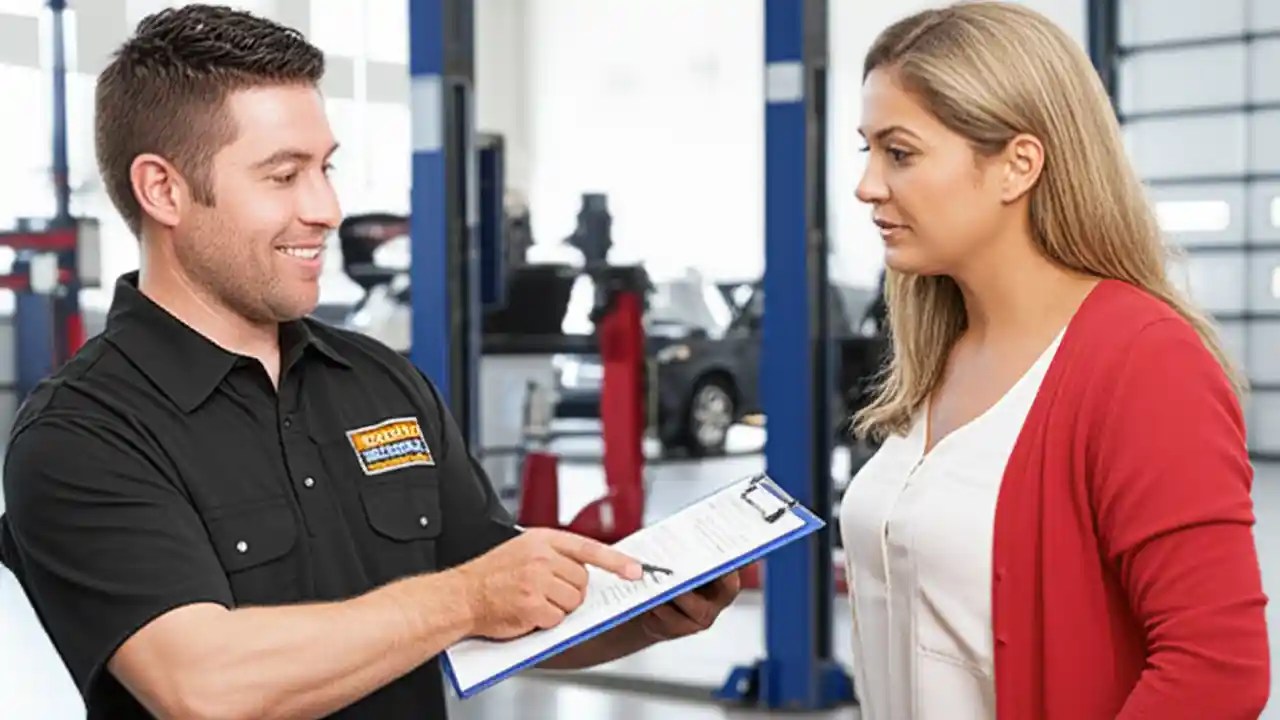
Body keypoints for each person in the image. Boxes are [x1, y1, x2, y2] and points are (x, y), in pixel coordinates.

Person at [0, 6, 739, 719]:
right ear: (163, 190)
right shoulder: (82, 435)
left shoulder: (380, 382)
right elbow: (204, 687)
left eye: (325, 168)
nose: (326, 208)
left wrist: (641, 611)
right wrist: (464, 598)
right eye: (284, 175)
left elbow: (506, 604)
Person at [839, 3, 1270, 719]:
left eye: (900, 153)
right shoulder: (942, 351)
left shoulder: (1144, 363)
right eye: (868, 151)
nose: (867, 185)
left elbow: (1217, 670)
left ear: (1018, 165)